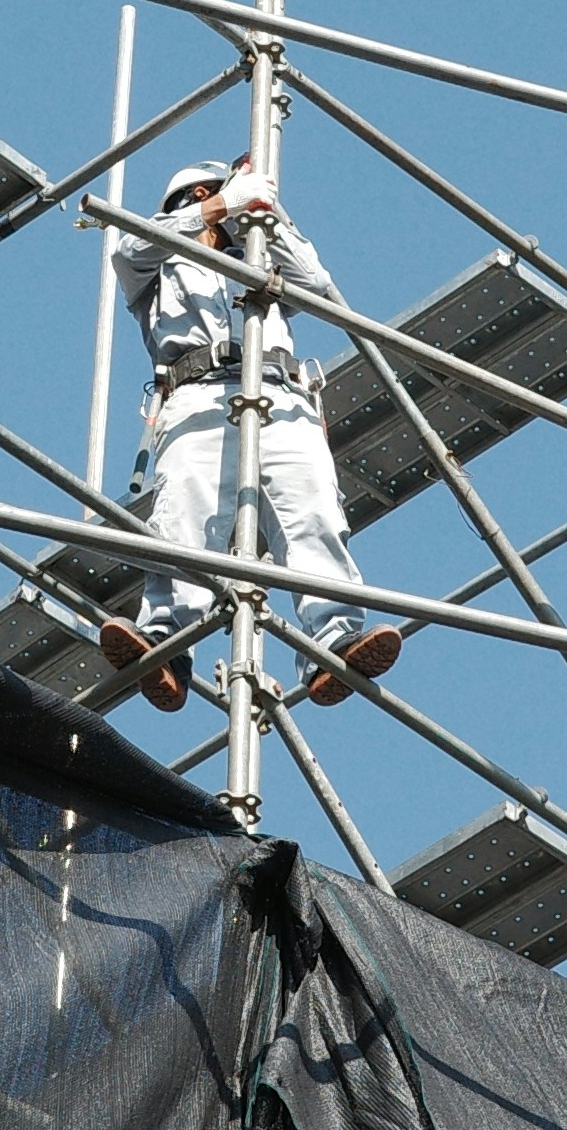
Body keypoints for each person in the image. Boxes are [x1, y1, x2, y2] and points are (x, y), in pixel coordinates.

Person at [96, 155, 401, 714]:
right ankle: (166, 641)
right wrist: (219, 205)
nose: (206, 204)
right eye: (192, 197)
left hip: (282, 392)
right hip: (197, 393)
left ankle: (331, 642)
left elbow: (317, 283)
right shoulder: (157, 264)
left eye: (214, 192)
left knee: (312, 514)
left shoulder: (259, 259)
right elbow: (129, 248)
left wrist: (264, 215)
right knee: (182, 518)